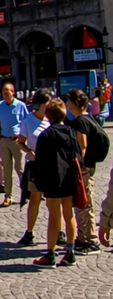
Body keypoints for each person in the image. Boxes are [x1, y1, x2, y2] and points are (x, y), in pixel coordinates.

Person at [31, 99, 82, 267]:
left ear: (47, 116)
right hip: (68, 177)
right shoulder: (71, 132)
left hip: (53, 179)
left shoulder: (45, 135)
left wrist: (40, 181)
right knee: (69, 214)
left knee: (54, 216)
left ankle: (50, 253)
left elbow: (40, 162)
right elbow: (77, 156)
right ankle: (71, 251)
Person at [64, 90, 106, 254]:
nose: (67, 104)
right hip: (87, 166)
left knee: (85, 203)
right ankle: (82, 238)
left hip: (84, 167)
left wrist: (77, 166)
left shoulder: (81, 121)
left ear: (75, 104)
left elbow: (82, 146)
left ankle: (91, 240)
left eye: (69, 101)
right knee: (81, 202)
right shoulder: (87, 118)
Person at [16, 90, 53, 246]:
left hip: (52, 165)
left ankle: (59, 232)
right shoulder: (28, 121)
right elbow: (20, 142)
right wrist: (30, 151)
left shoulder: (53, 118)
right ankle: (29, 233)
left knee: (53, 200)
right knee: (34, 200)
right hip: (35, 165)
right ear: (43, 104)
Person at [0, 81, 30, 207]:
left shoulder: (21, 106)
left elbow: (26, 123)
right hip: (4, 140)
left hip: (16, 141)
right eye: (3, 93)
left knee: (20, 169)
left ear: (13, 92)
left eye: (7, 93)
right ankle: (8, 196)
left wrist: (22, 138)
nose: (5, 95)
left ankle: (26, 194)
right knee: (6, 169)